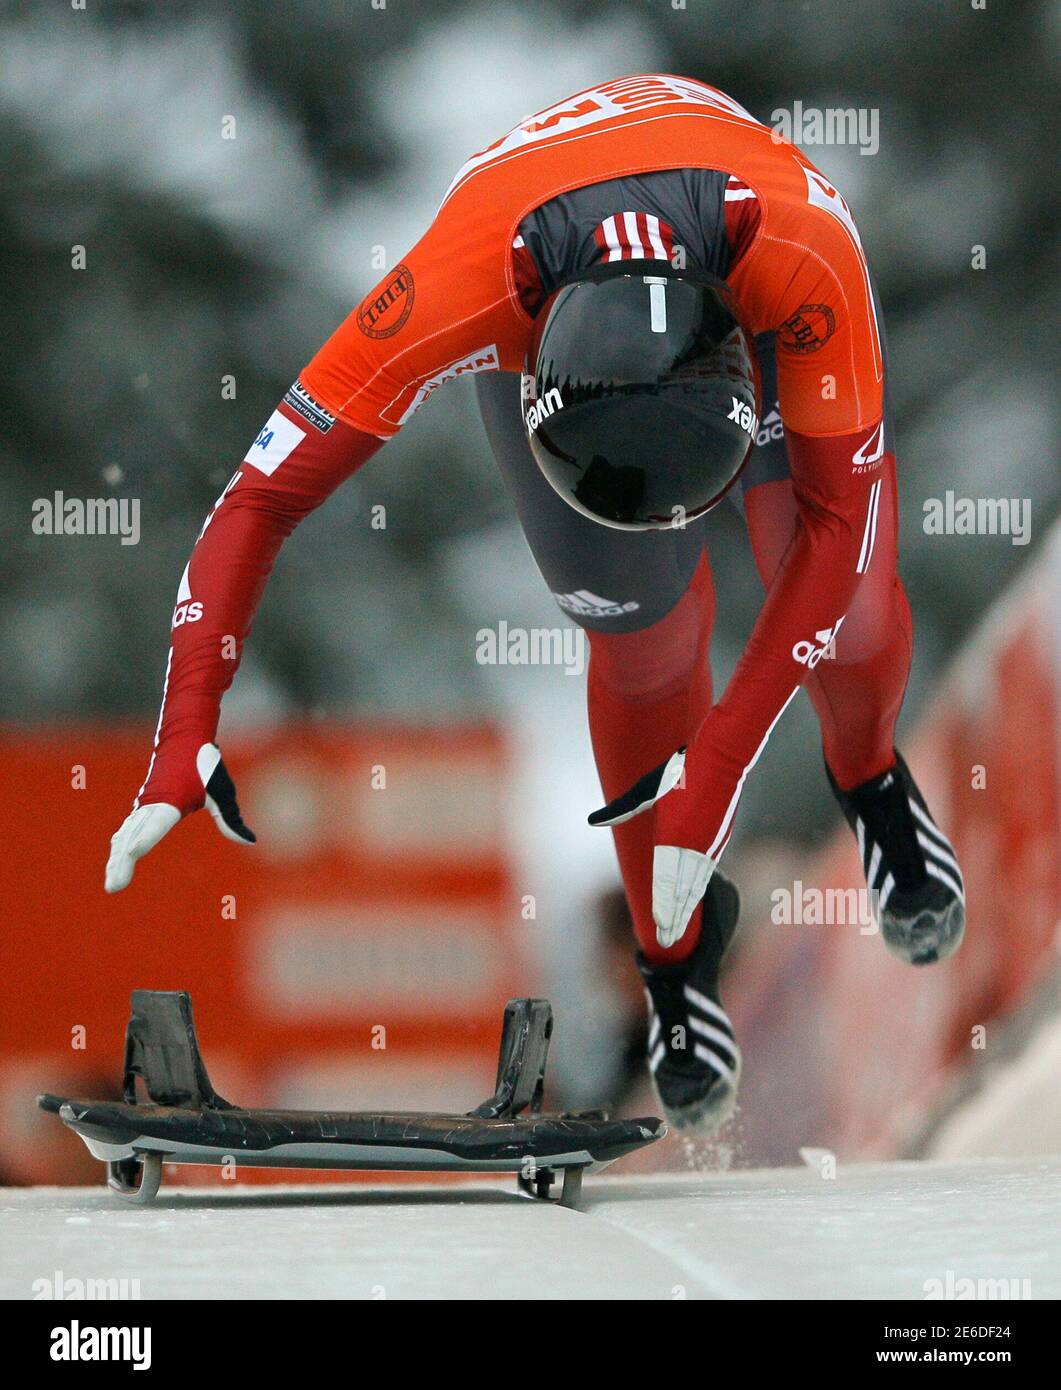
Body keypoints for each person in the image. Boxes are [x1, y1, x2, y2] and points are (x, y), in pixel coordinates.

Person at [105, 74, 966, 1134]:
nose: (664, 527)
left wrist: (721, 764)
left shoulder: (799, 244)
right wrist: (183, 721)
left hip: (747, 273)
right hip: (540, 266)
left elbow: (839, 533)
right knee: (647, 645)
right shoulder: (451, 289)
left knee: (853, 609)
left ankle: (870, 779)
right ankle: (669, 965)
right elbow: (258, 500)